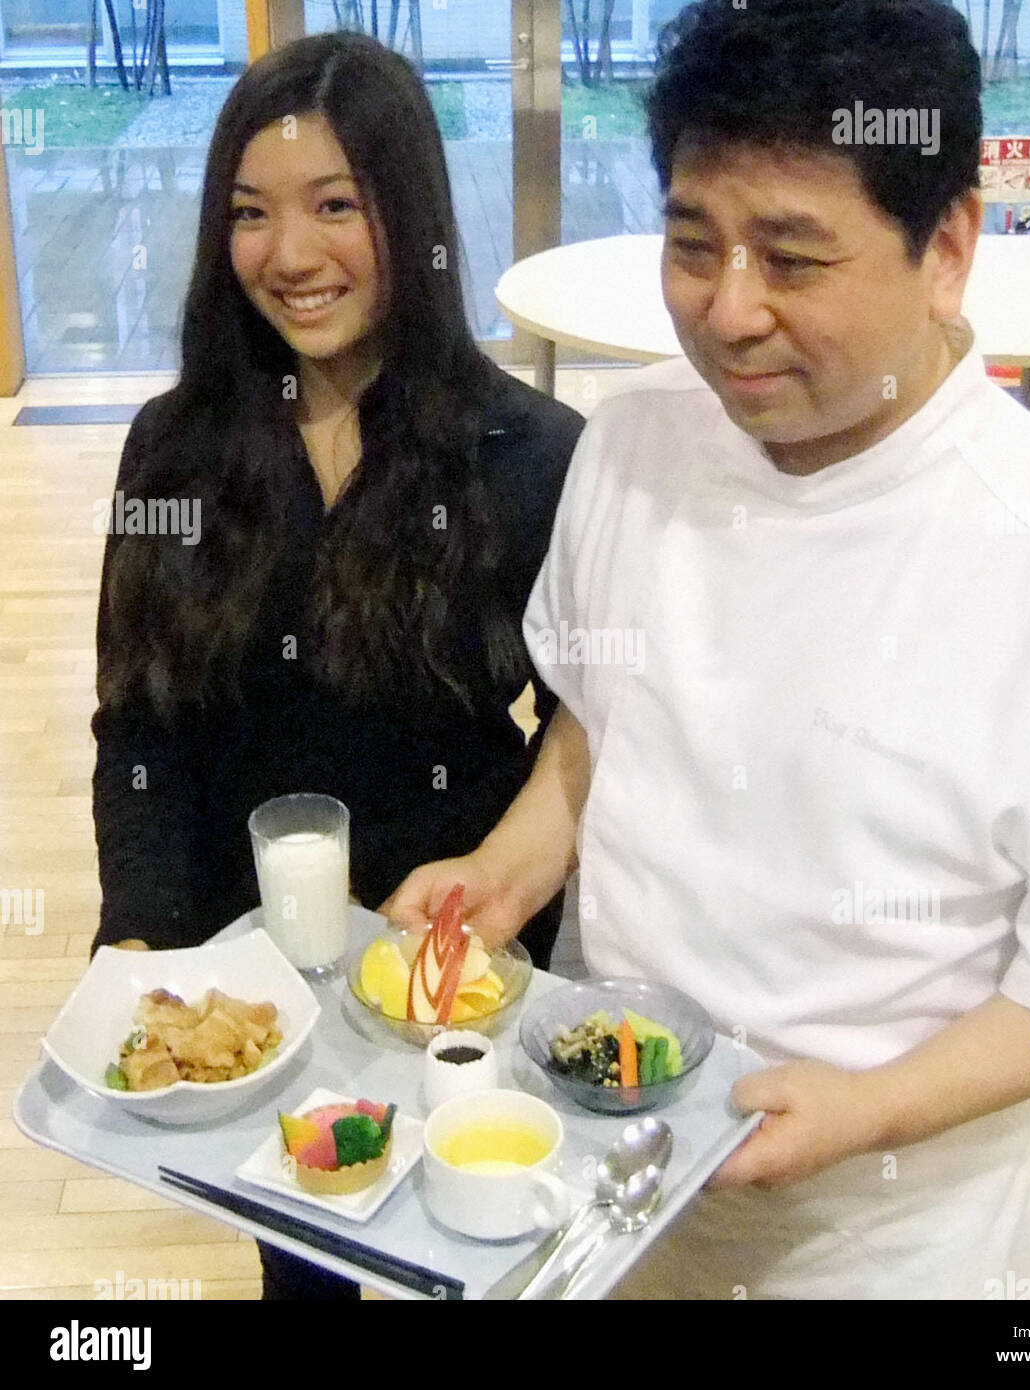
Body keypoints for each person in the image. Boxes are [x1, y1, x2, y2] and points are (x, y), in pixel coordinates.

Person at [385, 0, 1030, 1299]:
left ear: (947, 249)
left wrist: (867, 1109)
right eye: (693, 245)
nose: (728, 312)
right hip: (603, 1151)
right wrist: (507, 869)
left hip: (882, 1227)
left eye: (794, 260)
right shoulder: (636, 443)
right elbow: (597, 726)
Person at [89, 32, 584, 1298]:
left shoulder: (525, 451)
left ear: (407, 217)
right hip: (250, 985)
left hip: (447, 977)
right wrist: (143, 937)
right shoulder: (174, 448)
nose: (290, 256)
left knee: (465, 1245)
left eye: (335, 207)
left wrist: (514, 909)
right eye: (251, 214)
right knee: (302, 1261)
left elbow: (582, 727)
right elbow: (137, 726)